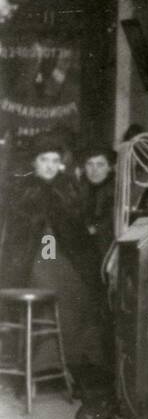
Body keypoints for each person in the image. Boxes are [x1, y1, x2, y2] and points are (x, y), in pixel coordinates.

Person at [0, 133, 105, 371]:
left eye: (54, 160)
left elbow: (75, 235)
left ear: (60, 163)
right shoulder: (22, 190)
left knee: (82, 293)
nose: (49, 166)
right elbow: (19, 239)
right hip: (31, 262)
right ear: (34, 163)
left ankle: (73, 362)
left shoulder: (67, 188)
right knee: (51, 290)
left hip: (61, 257)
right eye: (43, 159)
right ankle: (43, 363)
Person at [79, 143, 116, 264]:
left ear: (110, 168)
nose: (94, 170)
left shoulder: (117, 190)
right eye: (90, 164)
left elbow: (110, 219)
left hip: (107, 251)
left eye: (100, 164)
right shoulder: (80, 188)